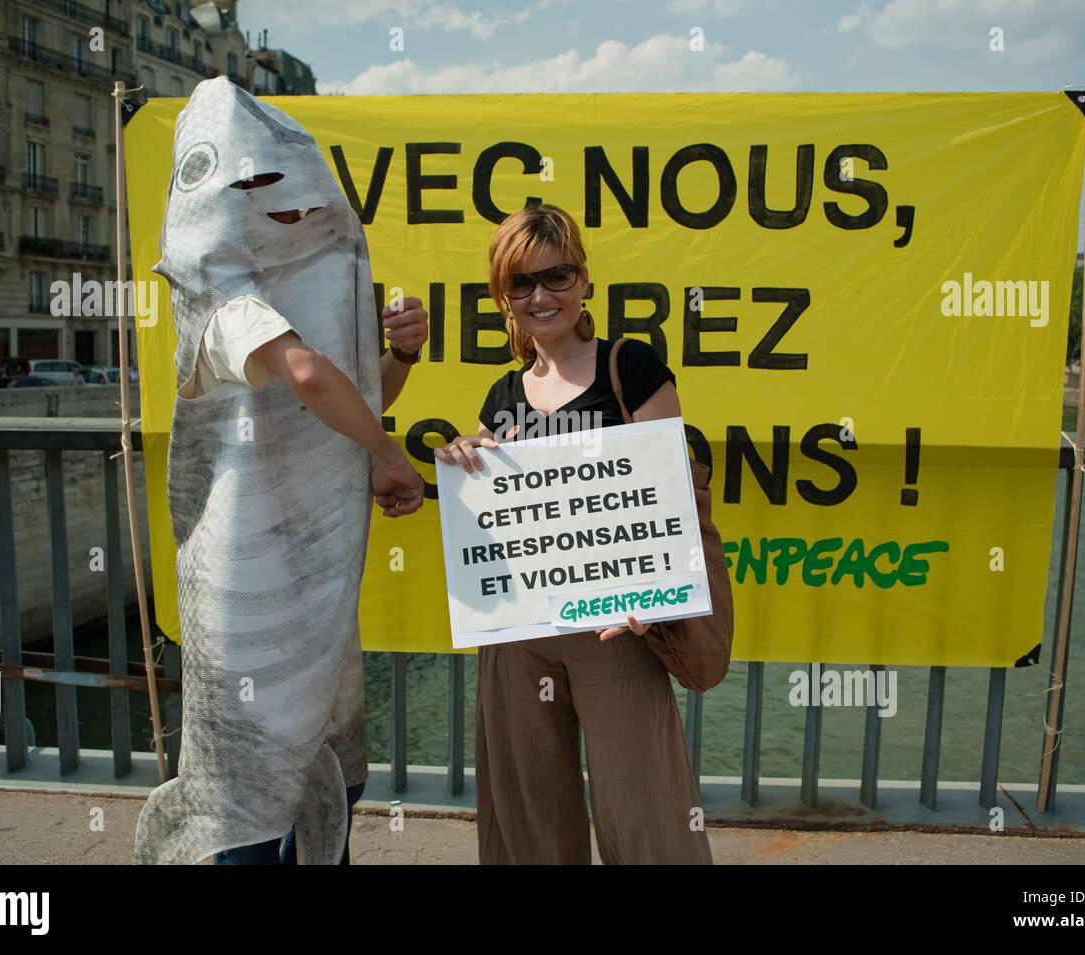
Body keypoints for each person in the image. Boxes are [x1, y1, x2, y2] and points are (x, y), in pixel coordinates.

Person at [134, 77, 425, 866]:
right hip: (245, 584)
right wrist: (390, 456)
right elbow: (307, 376)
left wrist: (399, 358)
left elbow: (346, 404)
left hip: (319, 583)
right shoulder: (220, 297)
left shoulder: (305, 277)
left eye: (280, 182)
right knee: (246, 797)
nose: (278, 202)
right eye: (255, 184)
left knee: (327, 776)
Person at [435, 202, 712, 864]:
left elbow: (670, 495)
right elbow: (498, 520)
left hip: (616, 631)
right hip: (520, 638)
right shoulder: (500, 397)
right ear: (504, 298)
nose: (541, 296)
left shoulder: (632, 367)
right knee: (531, 819)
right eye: (521, 283)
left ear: (584, 279)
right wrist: (466, 462)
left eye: (556, 276)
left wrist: (660, 599)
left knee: (647, 814)